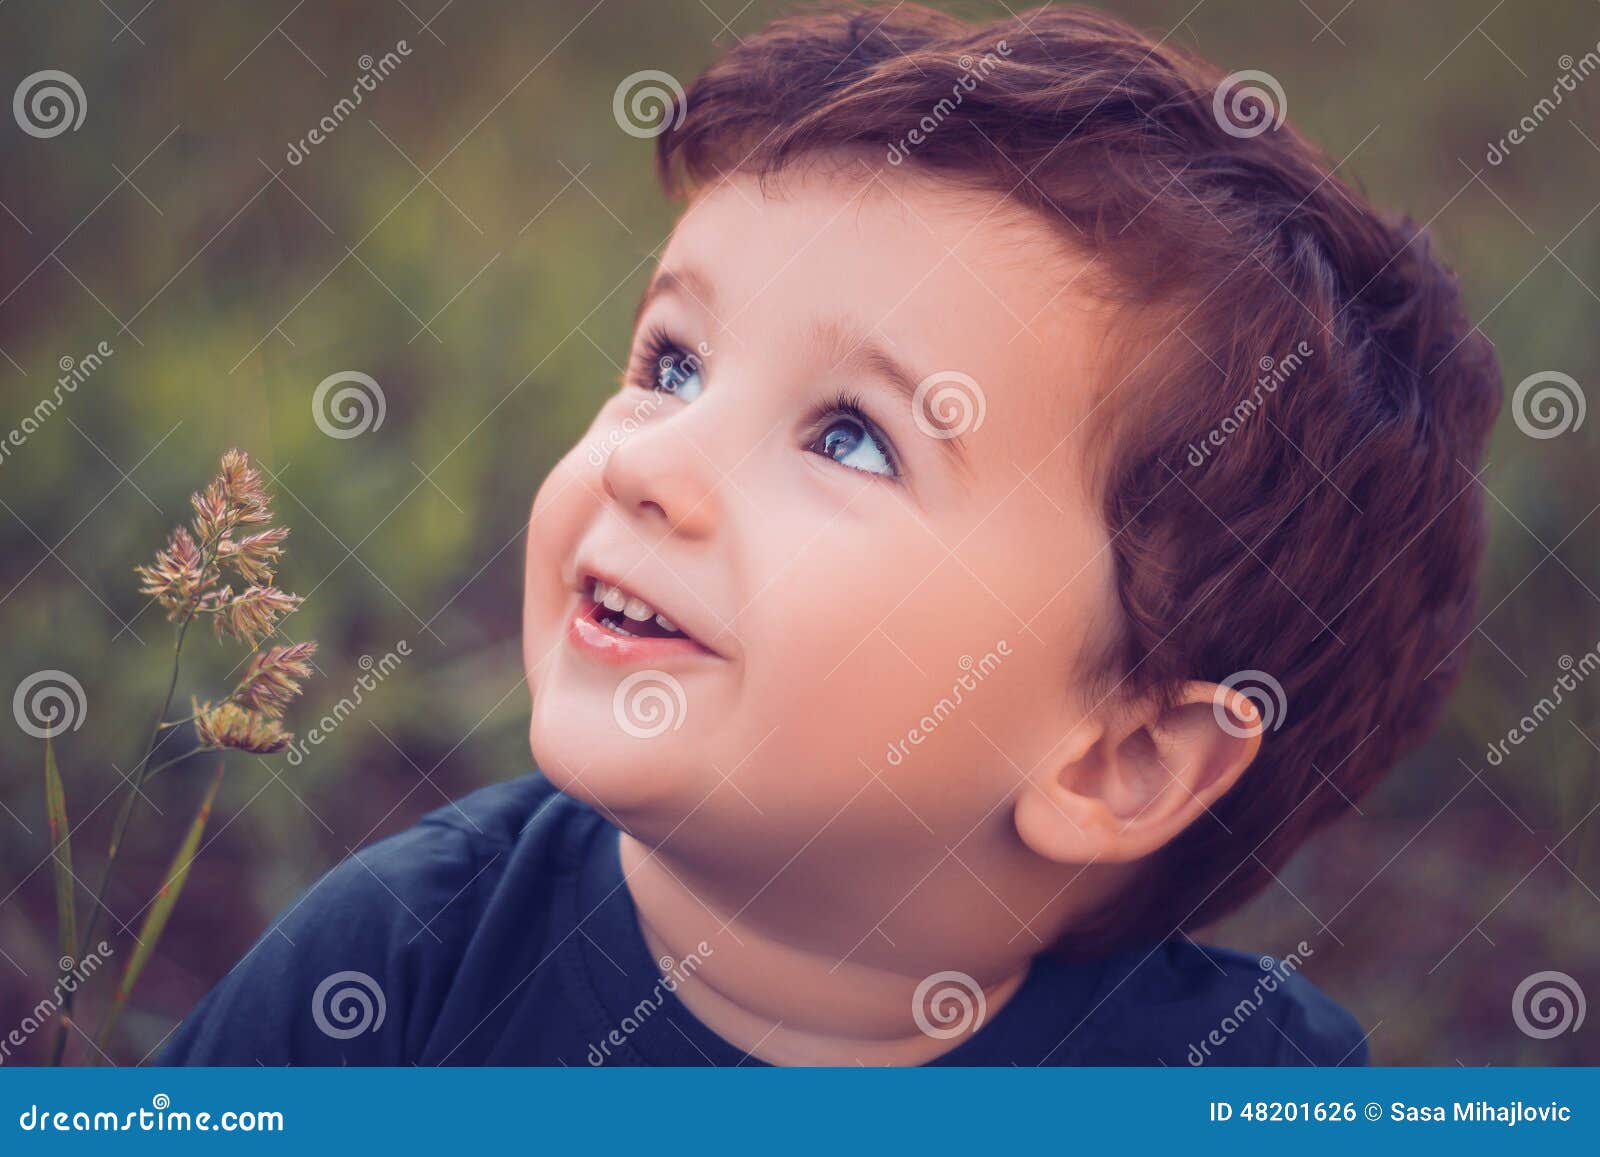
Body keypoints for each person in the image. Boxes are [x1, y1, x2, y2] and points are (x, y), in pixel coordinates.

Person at [161, 2, 1499, 1067]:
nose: (652, 464)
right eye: (674, 361)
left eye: (850, 434)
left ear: (1126, 755)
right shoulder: (397, 977)